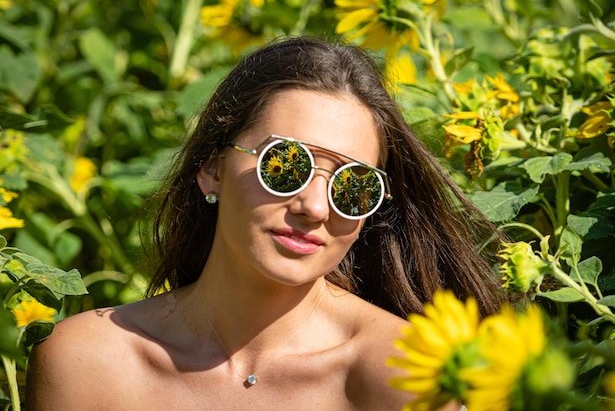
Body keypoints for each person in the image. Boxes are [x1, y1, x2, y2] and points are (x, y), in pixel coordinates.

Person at [26, 36, 505, 410]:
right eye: (285, 165)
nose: (315, 207)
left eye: (354, 186)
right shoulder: (88, 363)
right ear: (212, 169)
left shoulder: (407, 373)